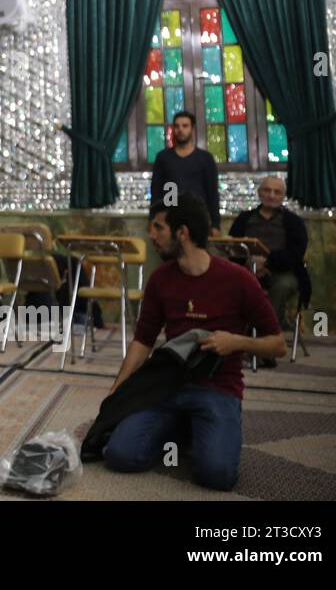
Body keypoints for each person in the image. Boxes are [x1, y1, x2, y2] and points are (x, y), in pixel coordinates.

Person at [102, 195, 284, 491]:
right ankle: (180, 428)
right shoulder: (160, 279)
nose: (151, 236)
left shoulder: (239, 280)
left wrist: (235, 341)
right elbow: (142, 342)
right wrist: (116, 393)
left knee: (216, 475)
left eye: (158, 228)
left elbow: (278, 345)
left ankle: (199, 428)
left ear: (182, 233)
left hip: (218, 389)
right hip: (168, 386)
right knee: (120, 455)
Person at [229, 176, 310, 365]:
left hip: (282, 272)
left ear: (283, 196)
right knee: (228, 285)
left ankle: (266, 347)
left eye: (277, 192)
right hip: (247, 272)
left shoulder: (293, 222)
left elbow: (296, 253)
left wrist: (268, 263)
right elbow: (232, 248)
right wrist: (249, 264)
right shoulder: (244, 219)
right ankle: (234, 343)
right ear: (259, 193)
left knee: (283, 286)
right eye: (267, 190)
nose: (271, 195)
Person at [150, 111, 221, 232]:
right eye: (176, 126)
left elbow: (213, 193)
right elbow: (156, 192)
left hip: (198, 218)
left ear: (192, 129)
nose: (180, 130)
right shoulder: (163, 157)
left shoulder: (205, 158)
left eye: (185, 126)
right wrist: (152, 219)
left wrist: (215, 224)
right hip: (169, 218)